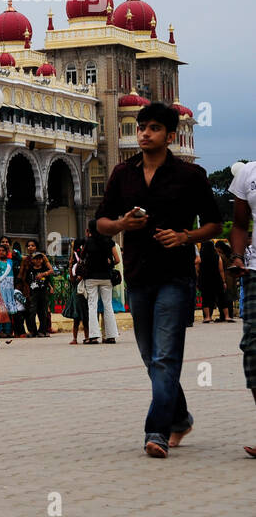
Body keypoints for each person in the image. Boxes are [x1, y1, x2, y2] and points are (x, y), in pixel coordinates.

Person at [97, 102, 221, 459]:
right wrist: (121, 225)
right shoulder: (123, 173)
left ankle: (158, 431)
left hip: (175, 276)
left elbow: (213, 223)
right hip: (138, 275)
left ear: (171, 135)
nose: (144, 133)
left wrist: (185, 238)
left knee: (165, 356)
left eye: (152, 128)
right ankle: (180, 418)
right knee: (151, 355)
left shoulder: (190, 176)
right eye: (140, 127)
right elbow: (101, 223)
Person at [226, 160, 256, 457]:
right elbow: (239, 224)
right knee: (253, 350)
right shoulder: (248, 173)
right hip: (254, 272)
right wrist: (236, 256)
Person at [82, 219, 120, 344]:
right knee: (108, 305)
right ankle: (111, 336)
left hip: (91, 277)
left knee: (92, 305)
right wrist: (109, 263)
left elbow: (82, 258)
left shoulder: (88, 243)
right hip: (106, 277)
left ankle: (93, 336)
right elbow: (117, 259)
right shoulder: (109, 241)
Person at [18, 241, 55, 337]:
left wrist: (49, 285)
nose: (30, 247)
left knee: (43, 312)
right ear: (33, 261)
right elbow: (23, 277)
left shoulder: (43, 266)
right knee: (31, 311)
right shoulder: (28, 265)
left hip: (43, 292)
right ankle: (32, 330)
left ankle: (42, 330)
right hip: (32, 292)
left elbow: (50, 273)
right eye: (29, 245)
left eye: (33, 245)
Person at [0, 239, 26, 336]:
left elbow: (20, 258)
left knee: (9, 310)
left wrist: (16, 252)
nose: (1, 252)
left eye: (3, 250)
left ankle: (8, 331)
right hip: (0, 288)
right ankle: (0, 331)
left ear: (7, 252)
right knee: (1, 310)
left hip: (9, 289)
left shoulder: (10, 261)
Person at [196, 240, 224, 323]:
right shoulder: (217, 256)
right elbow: (221, 269)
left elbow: (197, 269)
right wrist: (223, 281)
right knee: (219, 297)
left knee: (206, 298)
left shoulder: (200, 256)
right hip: (216, 278)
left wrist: (199, 278)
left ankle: (207, 317)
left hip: (204, 279)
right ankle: (226, 316)